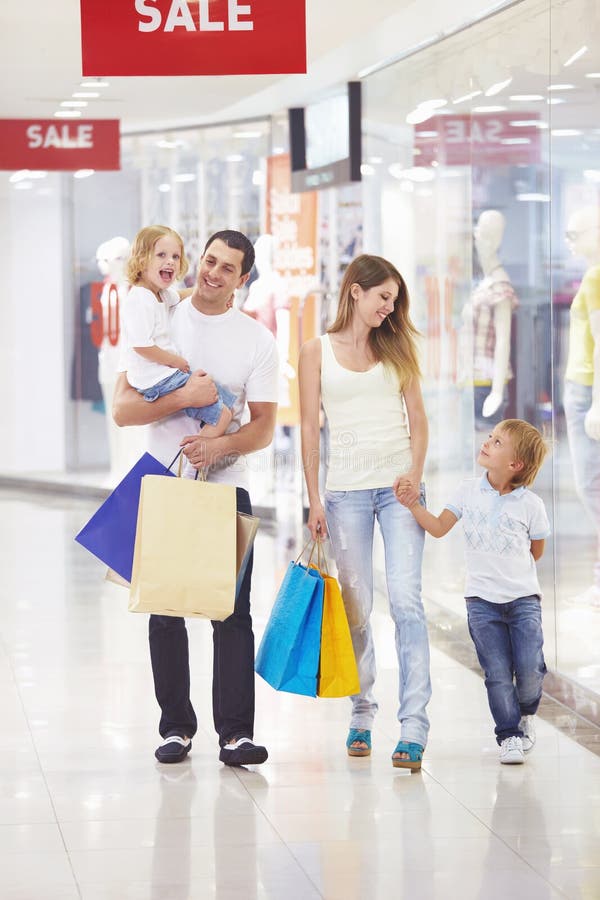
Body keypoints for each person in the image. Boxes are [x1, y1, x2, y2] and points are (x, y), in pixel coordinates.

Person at [113, 229, 279, 766]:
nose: (212, 273)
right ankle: (175, 729)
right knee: (165, 611)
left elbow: (264, 429)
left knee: (231, 614)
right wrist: (184, 398)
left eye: (227, 268)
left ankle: (235, 735)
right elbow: (123, 409)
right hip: (163, 484)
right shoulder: (160, 315)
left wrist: (218, 445)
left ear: (243, 278)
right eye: (208, 260)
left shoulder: (257, 341)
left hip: (227, 490)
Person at [298, 253, 431, 770]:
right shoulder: (316, 352)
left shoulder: (398, 346)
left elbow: (418, 420)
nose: (389, 308)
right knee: (356, 609)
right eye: (383, 297)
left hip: (399, 491)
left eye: (394, 302)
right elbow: (310, 430)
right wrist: (313, 498)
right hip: (346, 491)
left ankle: (414, 726)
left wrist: (415, 476)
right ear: (356, 290)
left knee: (406, 602)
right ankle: (362, 710)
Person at [397, 419, 550, 765]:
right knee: (496, 673)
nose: (487, 442)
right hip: (481, 602)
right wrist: (413, 505)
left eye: (498, 443)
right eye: (491, 437)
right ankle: (509, 735)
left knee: (528, 671)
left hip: (524, 600)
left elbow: (536, 551)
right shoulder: (467, 491)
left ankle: (526, 712)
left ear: (515, 465)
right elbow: (438, 527)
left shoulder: (532, 505)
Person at [122, 224, 235, 437]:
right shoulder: (139, 298)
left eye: (175, 256)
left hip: (165, 373)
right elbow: (141, 346)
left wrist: (215, 290)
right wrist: (175, 362)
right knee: (223, 414)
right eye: (161, 255)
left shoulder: (160, 294)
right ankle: (195, 464)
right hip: (154, 378)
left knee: (228, 402)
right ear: (142, 259)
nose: (170, 261)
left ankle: (199, 452)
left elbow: (183, 295)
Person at [564, 206, 600, 607]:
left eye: (576, 234)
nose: (570, 242)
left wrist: (595, 404)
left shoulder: (595, 276)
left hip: (586, 389)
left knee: (590, 486)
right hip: (585, 388)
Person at [460, 210, 518, 429]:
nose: (475, 235)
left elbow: (503, 341)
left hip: (486, 384)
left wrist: (496, 392)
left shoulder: (500, 286)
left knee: (487, 453)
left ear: (494, 239)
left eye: (482, 231)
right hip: (473, 380)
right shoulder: (484, 284)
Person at [95, 235, 146, 481]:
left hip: (131, 366)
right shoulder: (106, 289)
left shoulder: (136, 291)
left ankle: (130, 470)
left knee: (132, 422)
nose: (108, 265)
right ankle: (116, 468)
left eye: (115, 259)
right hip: (108, 361)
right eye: (104, 260)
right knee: (111, 419)